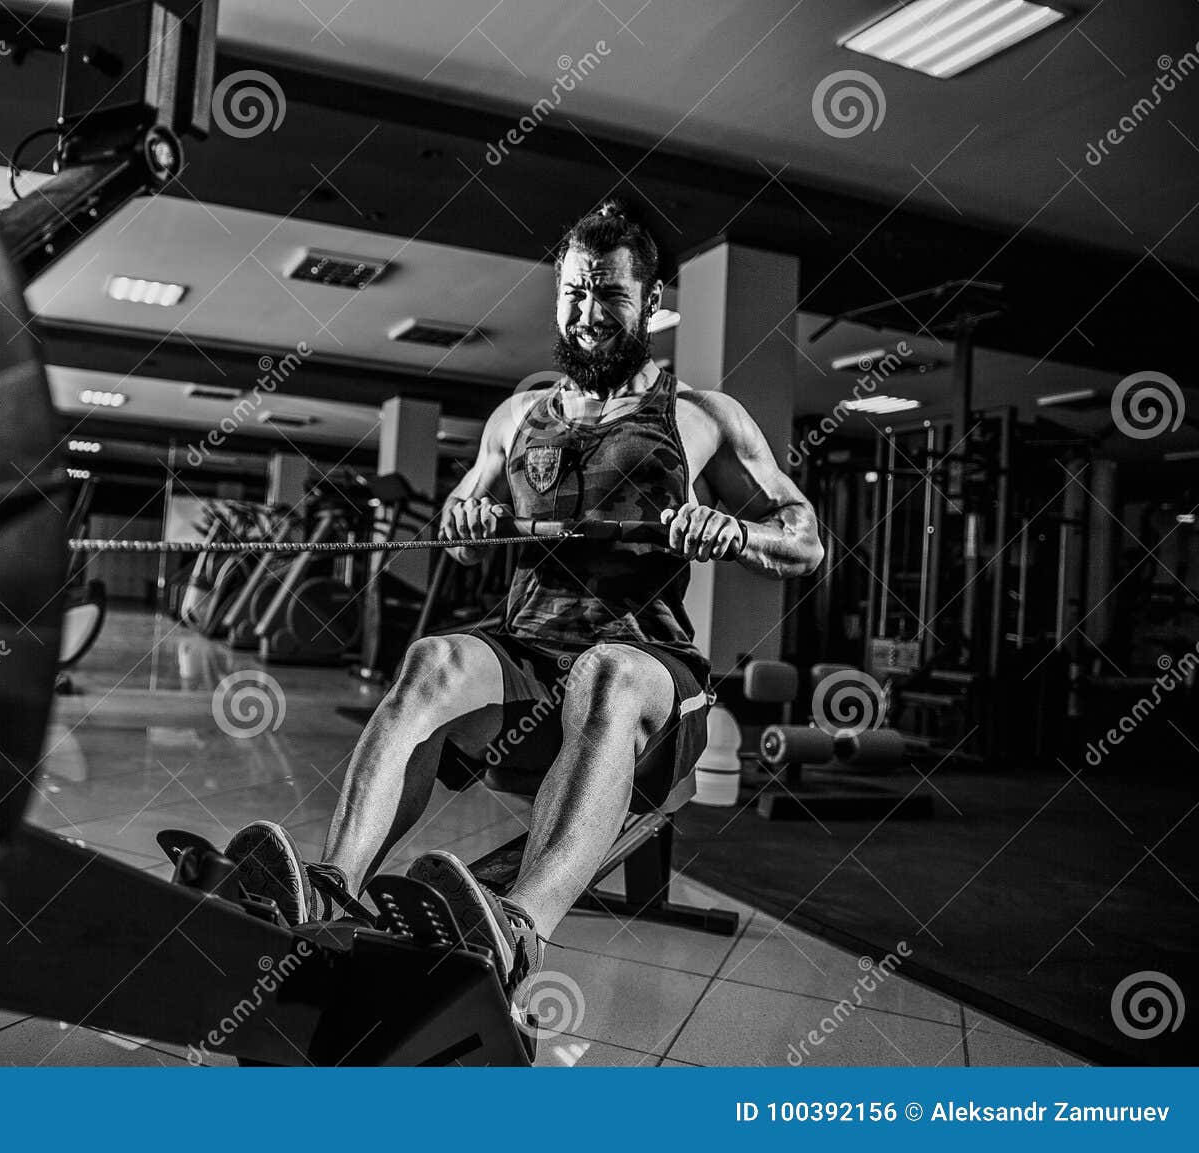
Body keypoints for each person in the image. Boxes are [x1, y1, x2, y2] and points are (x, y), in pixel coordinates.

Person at [225, 199, 823, 996]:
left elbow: (805, 537)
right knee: (433, 656)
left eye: (610, 294)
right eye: (575, 292)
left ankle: (515, 931)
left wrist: (734, 533)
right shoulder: (517, 417)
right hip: (530, 657)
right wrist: (464, 515)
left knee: (606, 671)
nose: (588, 312)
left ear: (650, 302)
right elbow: (460, 525)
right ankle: (332, 888)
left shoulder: (701, 417)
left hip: (648, 668)